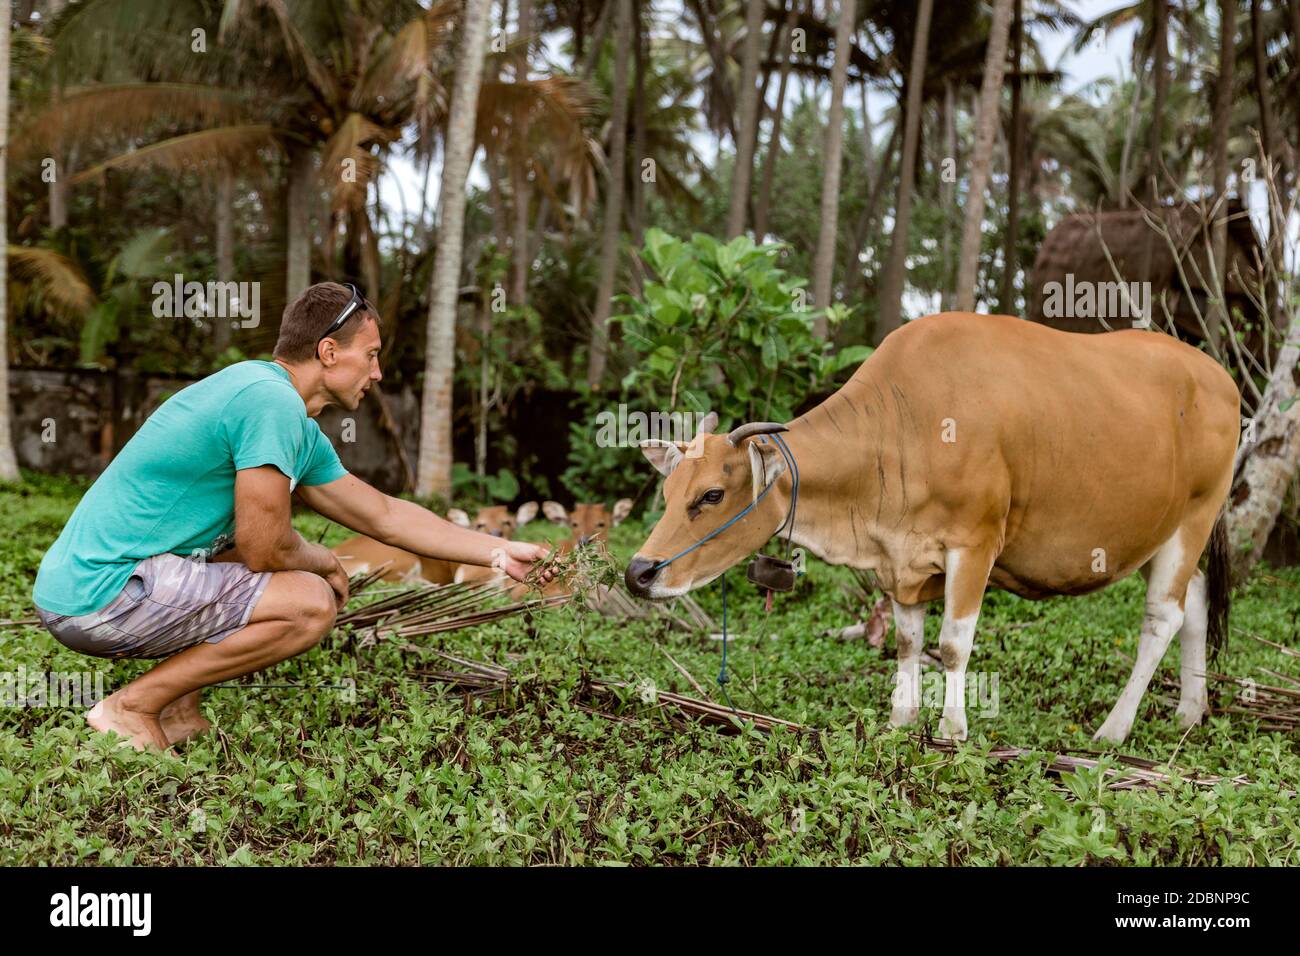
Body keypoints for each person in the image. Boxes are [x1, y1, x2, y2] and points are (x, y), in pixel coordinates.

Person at [31, 282, 555, 751]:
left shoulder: (288, 419)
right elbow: (266, 546)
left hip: (98, 589)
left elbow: (385, 514)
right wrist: (326, 562)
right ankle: (132, 706)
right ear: (328, 351)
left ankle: (175, 706)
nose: (378, 372)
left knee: (249, 561)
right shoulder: (269, 403)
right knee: (308, 600)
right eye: (370, 355)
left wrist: (498, 550)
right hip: (101, 593)